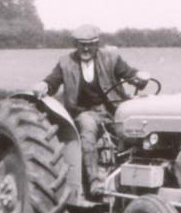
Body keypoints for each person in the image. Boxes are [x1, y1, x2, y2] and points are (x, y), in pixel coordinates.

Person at [31, 24, 150, 198]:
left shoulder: (111, 58)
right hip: (84, 112)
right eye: (81, 44)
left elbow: (129, 73)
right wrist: (44, 85)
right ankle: (95, 181)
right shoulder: (66, 62)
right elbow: (53, 81)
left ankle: (136, 180)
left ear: (97, 44)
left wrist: (139, 77)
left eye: (90, 44)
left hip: (113, 110)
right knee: (87, 126)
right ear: (75, 44)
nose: (86, 48)